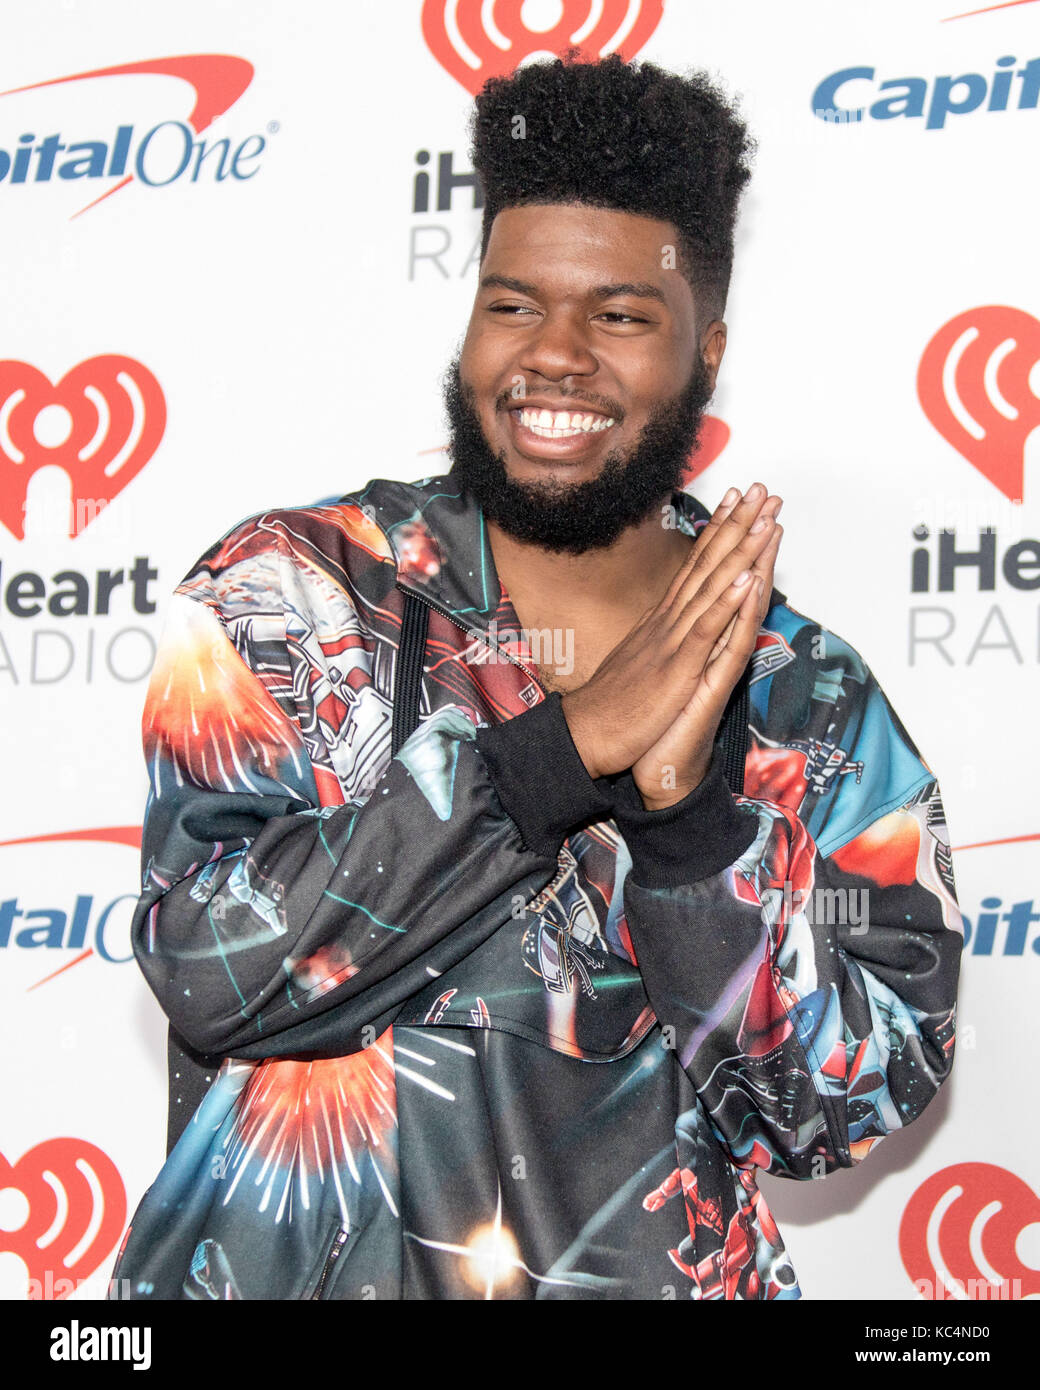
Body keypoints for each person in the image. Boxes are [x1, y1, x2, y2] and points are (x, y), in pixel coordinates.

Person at [111, 52, 962, 1301]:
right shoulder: (296, 592)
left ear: (704, 351)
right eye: (512, 305)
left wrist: (687, 836)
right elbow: (204, 962)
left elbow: (836, 1109)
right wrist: (558, 754)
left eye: (618, 315)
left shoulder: (804, 698)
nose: (552, 356)